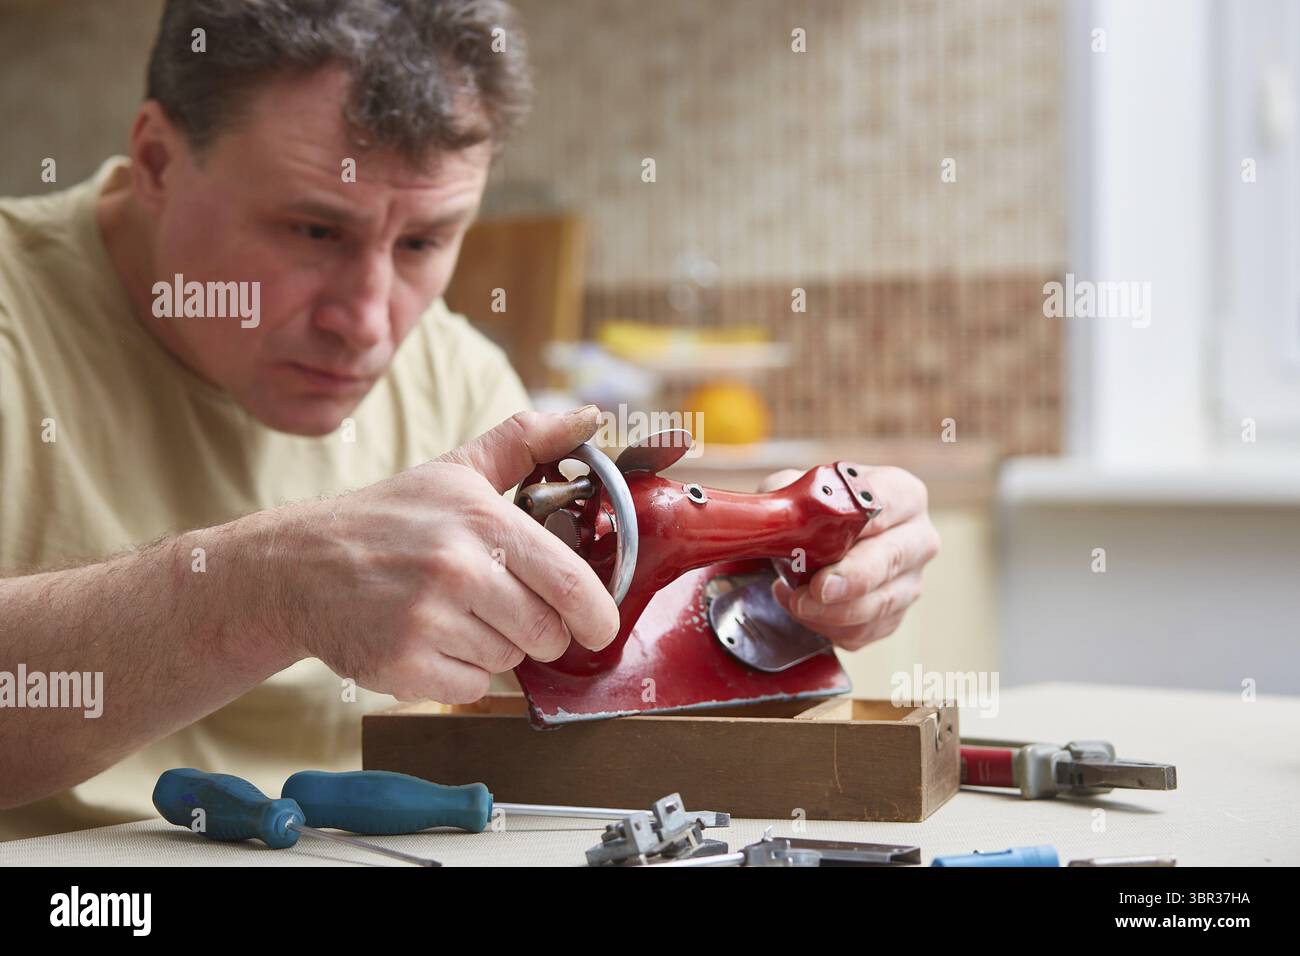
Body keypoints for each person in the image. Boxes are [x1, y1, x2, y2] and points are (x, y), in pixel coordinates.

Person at [0, 0, 939, 839]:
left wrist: (779, 587)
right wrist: (266, 588)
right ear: (159, 160)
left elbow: (604, 676)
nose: (367, 323)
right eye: (312, 230)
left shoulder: (456, 379)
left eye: (424, 241)